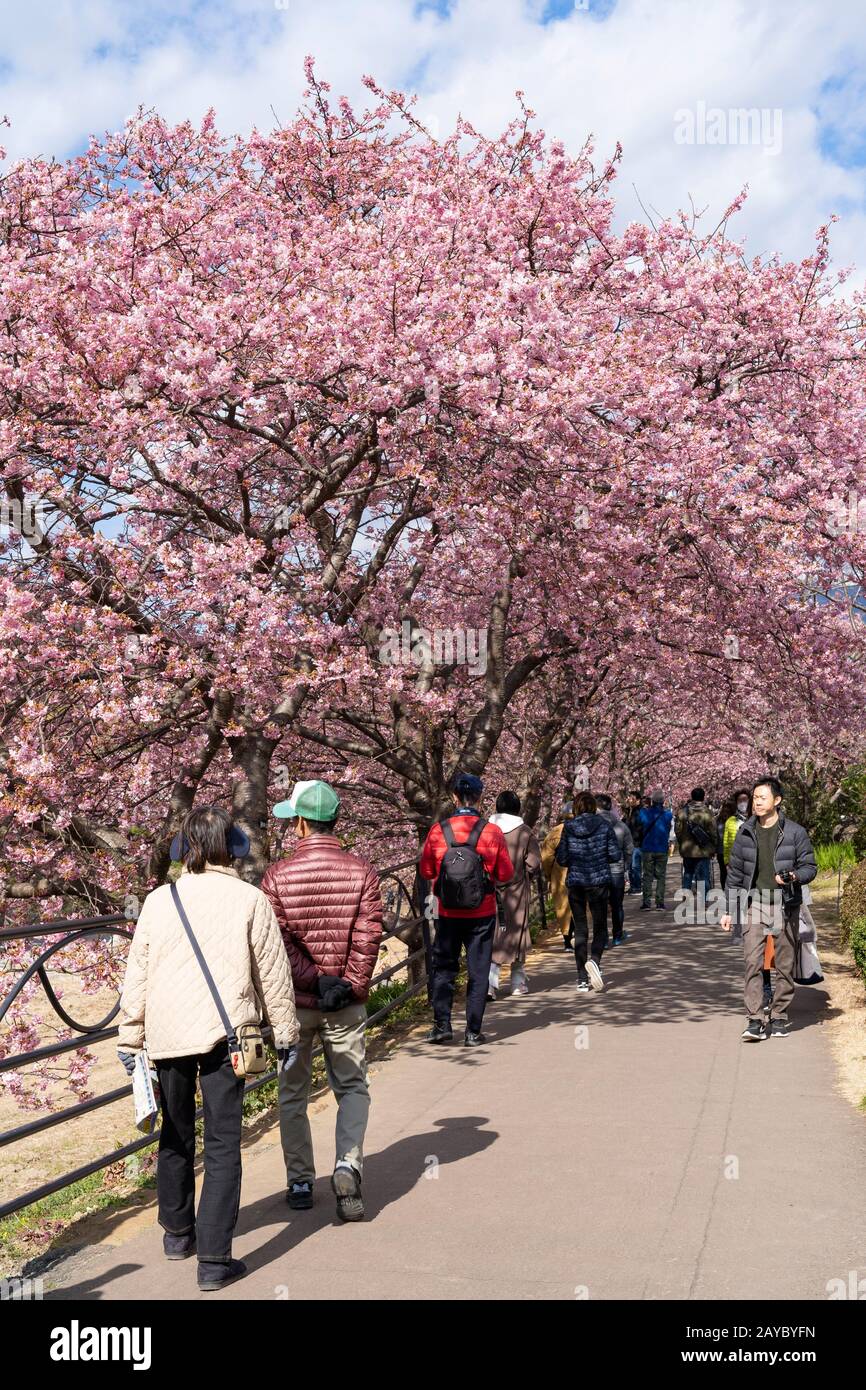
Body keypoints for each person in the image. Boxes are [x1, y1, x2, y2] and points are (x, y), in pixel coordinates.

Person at [117, 806, 299, 1292]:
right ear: (230, 846)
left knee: (175, 1133)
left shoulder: (159, 900)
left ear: (185, 849)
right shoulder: (250, 899)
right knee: (222, 1144)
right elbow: (273, 975)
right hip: (228, 1037)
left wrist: (129, 1036)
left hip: (168, 1036)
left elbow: (137, 973)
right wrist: (286, 1033)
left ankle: (178, 1234)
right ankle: (215, 1261)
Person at [261, 780, 383, 1222]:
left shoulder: (276, 876)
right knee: (351, 1086)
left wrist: (315, 981)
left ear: (299, 823)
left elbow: (278, 944)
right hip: (345, 1004)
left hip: (295, 1003)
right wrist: (345, 985)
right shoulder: (362, 871)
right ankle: (347, 1164)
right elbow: (368, 937)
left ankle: (299, 1180)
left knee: (293, 1091)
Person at [419, 772, 513, 1046]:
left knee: (444, 968)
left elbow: (426, 871)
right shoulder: (491, 832)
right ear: (480, 799)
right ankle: (472, 1032)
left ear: (453, 797)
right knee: (478, 970)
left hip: (447, 913)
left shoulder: (439, 831)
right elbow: (505, 873)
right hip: (481, 913)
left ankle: (442, 1025)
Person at [720, 776, 816, 1041]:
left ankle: (779, 1016)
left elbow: (810, 867)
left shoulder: (795, 832)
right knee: (752, 962)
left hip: (785, 905)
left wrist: (793, 876)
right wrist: (728, 909)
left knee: (784, 965)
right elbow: (735, 875)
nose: (756, 802)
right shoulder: (745, 832)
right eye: (754, 797)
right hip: (755, 904)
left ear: (777, 800)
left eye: (762, 797)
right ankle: (754, 1019)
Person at [555, 791, 622, 991]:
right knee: (600, 927)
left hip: (576, 882)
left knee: (581, 929)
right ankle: (594, 961)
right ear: (594, 807)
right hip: (599, 882)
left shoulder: (568, 828)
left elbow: (562, 859)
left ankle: (582, 979)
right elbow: (615, 855)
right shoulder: (604, 826)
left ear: (576, 807)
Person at [488, 790, 542, 996]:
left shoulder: (487, 830)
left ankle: (490, 984)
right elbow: (533, 862)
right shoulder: (524, 831)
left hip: (490, 890)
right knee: (517, 932)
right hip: (516, 888)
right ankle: (517, 982)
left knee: (494, 935)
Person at [595, 793, 633, 946]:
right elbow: (629, 849)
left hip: (598, 871)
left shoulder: (592, 826)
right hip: (617, 870)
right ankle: (617, 934)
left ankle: (603, 939)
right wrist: (625, 865)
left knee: (600, 905)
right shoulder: (621, 826)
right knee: (617, 904)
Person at [540, 801, 574, 951]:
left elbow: (546, 857)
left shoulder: (555, 832)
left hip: (560, 872)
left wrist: (548, 876)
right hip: (581, 869)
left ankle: (567, 940)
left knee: (563, 906)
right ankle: (580, 936)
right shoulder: (584, 828)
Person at [675, 787, 719, 894]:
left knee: (688, 875)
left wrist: (682, 844)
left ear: (692, 797)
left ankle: (686, 899)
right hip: (704, 850)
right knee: (703, 876)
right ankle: (703, 902)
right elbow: (713, 832)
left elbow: (678, 831)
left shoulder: (682, 813)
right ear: (703, 798)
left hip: (687, 850)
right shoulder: (708, 813)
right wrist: (714, 847)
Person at [638, 789, 673, 910]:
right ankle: (660, 902)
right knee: (661, 876)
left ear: (652, 801)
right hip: (662, 848)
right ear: (663, 801)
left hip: (647, 847)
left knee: (647, 875)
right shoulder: (668, 814)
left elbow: (639, 823)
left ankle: (646, 902)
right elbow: (668, 828)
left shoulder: (643, 812)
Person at [624, 792, 645, 894]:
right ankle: (633, 886)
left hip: (637, 843)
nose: (629, 800)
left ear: (638, 800)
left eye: (632, 798)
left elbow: (640, 828)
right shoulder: (629, 811)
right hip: (629, 842)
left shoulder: (640, 812)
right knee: (630, 866)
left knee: (635, 866)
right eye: (629, 797)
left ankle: (637, 887)